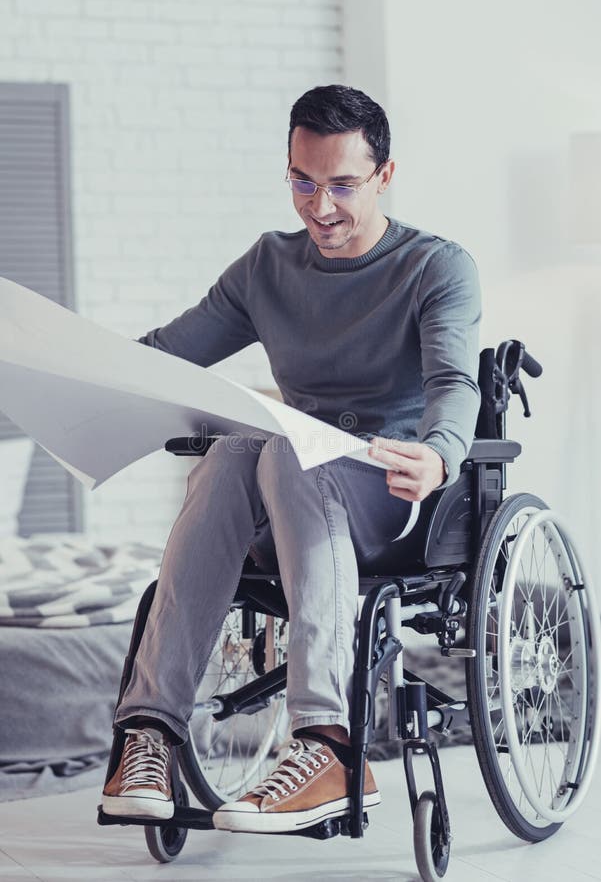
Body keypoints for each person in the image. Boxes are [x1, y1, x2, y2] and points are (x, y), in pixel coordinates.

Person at [101, 84, 481, 834]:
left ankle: (328, 741)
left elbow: (452, 383)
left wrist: (439, 456)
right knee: (235, 451)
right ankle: (150, 730)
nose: (320, 206)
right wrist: (65, 370)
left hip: (388, 497)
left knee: (279, 454)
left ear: (384, 174)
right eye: (302, 183)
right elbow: (167, 357)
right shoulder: (267, 268)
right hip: (287, 488)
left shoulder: (436, 267)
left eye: (341, 184)